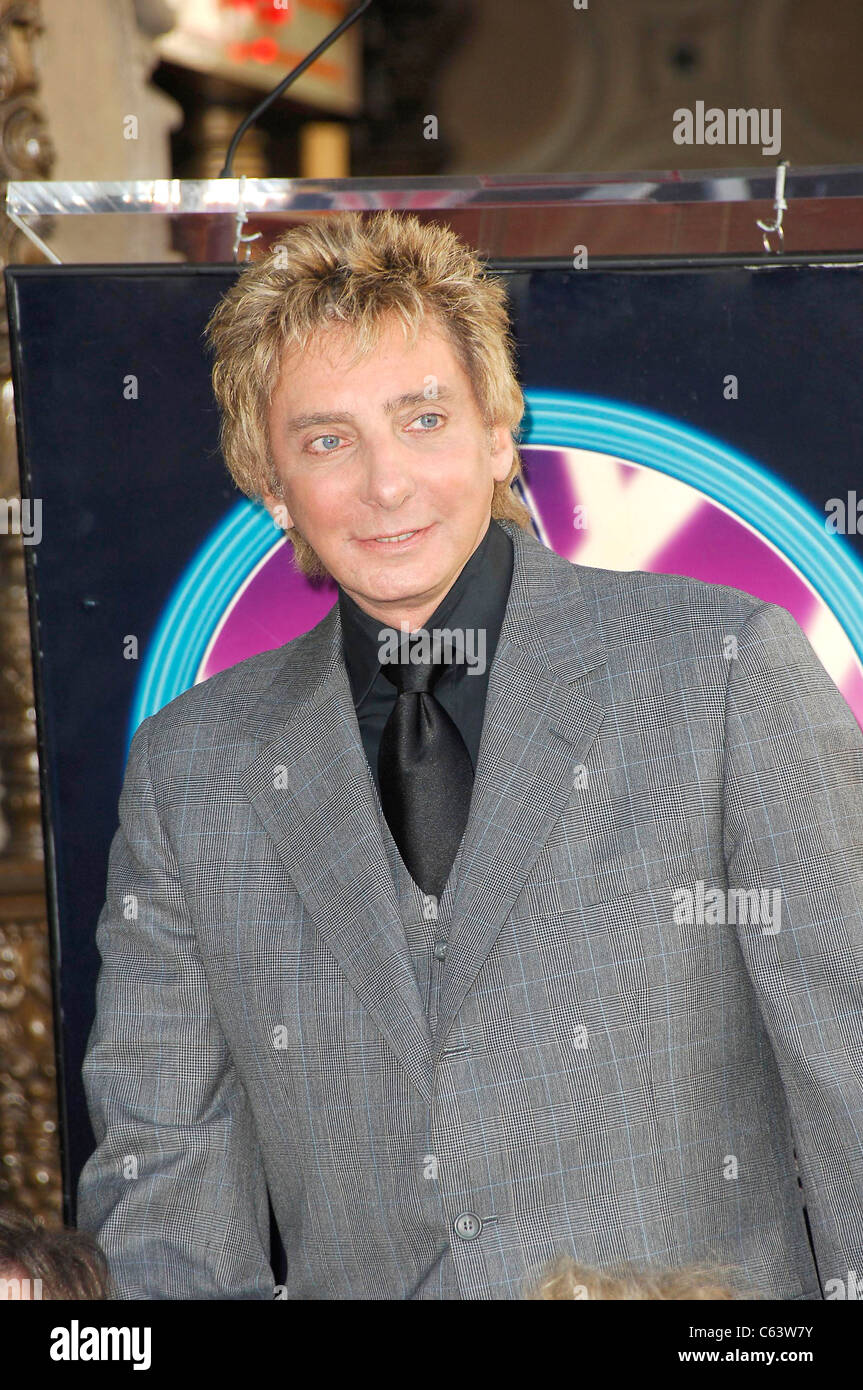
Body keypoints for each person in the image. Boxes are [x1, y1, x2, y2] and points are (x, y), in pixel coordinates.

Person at [77, 210, 863, 1300]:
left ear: (499, 432)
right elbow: (164, 1184)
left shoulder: (722, 671)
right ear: (271, 486)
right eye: (326, 440)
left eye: (423, 419)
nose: (384, 483)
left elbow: (851, 1070)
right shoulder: (189, 771)